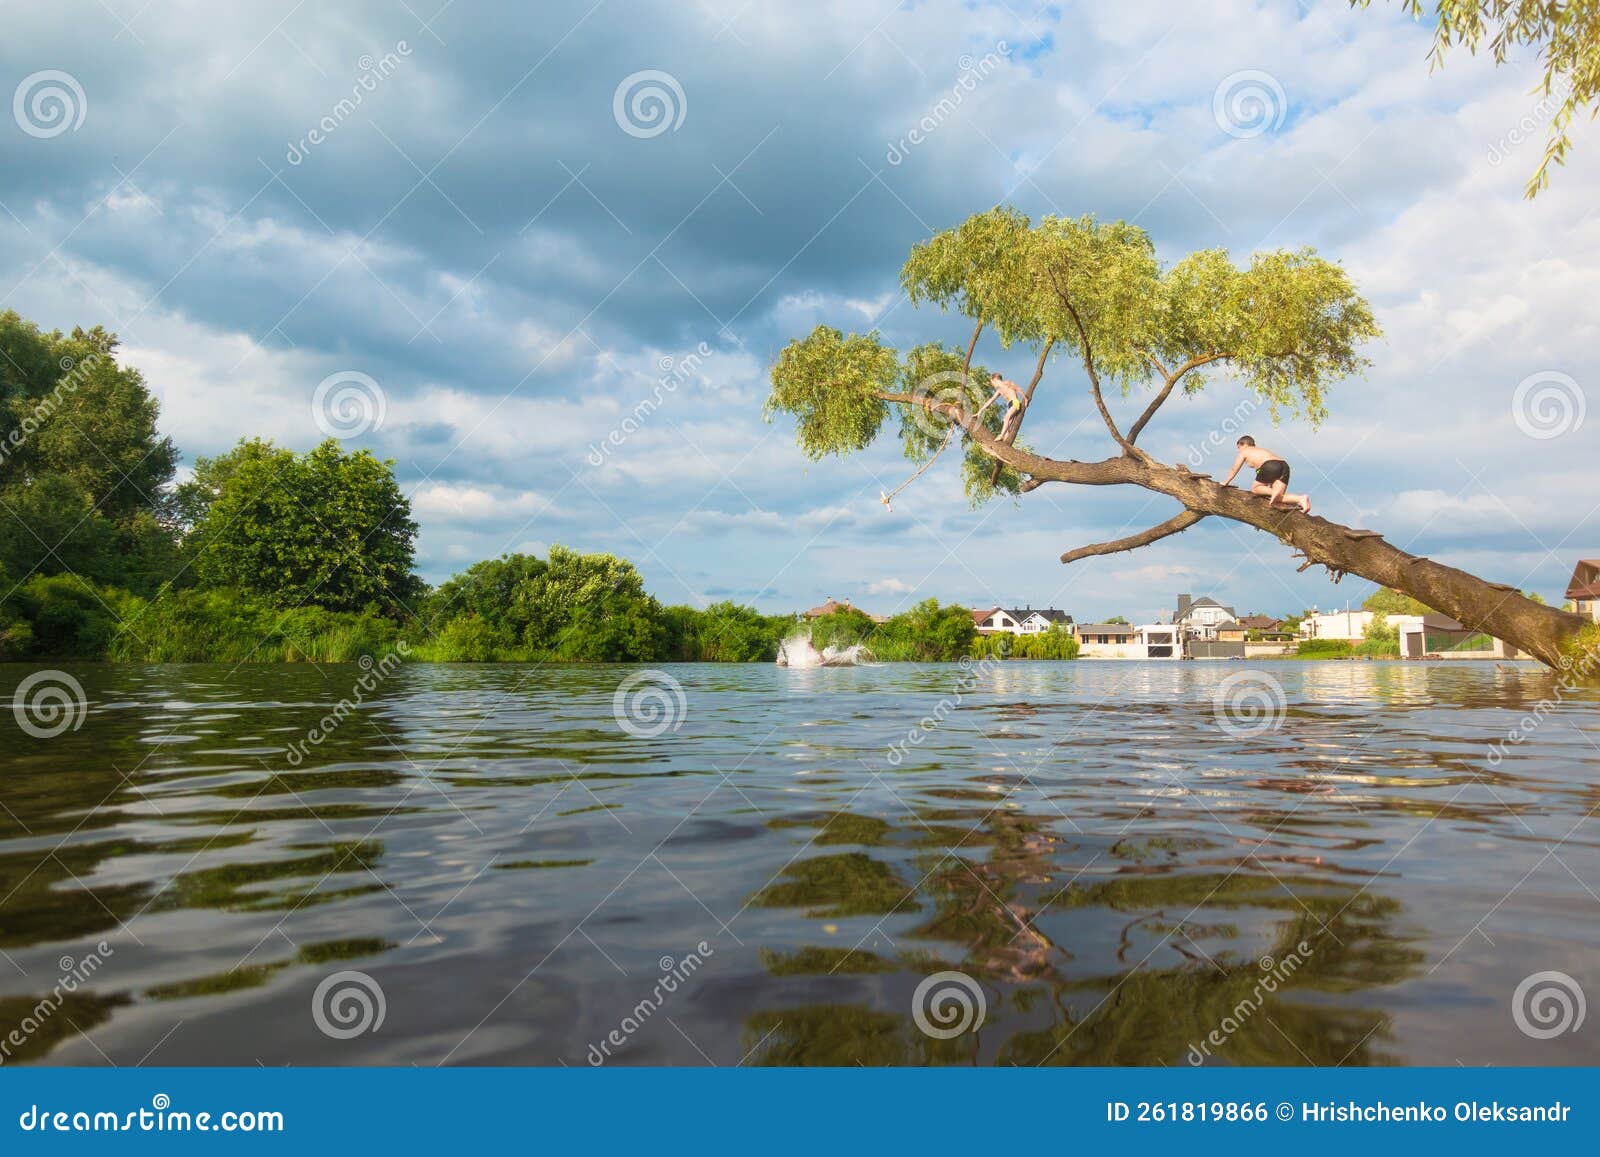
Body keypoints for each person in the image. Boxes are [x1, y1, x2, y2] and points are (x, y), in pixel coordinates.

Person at [1222, 435, 1311, 514]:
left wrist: (1226, 482)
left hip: (1269, 465)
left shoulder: (1245, 451)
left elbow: (1235, 468)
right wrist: (1268, 486)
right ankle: (1300, 499)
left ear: (1244, 444)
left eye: (1239, 447)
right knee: (1277, 499)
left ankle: (1276, 493)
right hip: (1284, 466)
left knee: (1255, 489)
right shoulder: (1261, 451)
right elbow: (1263, 472)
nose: (1238, 450)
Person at [981, 372, 1026, 441]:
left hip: (1014, 402)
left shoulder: (1007, 383)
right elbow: (991, 400)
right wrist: (980, 410)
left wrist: (1025, 399)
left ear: (995, 379)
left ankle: (1001, 435)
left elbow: (1018, 389)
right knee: (1007, 427)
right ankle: (1005, 440)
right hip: (1009, 406)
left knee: (1006, 419)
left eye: (992, 383)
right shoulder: (999, 391)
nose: (992, 385)